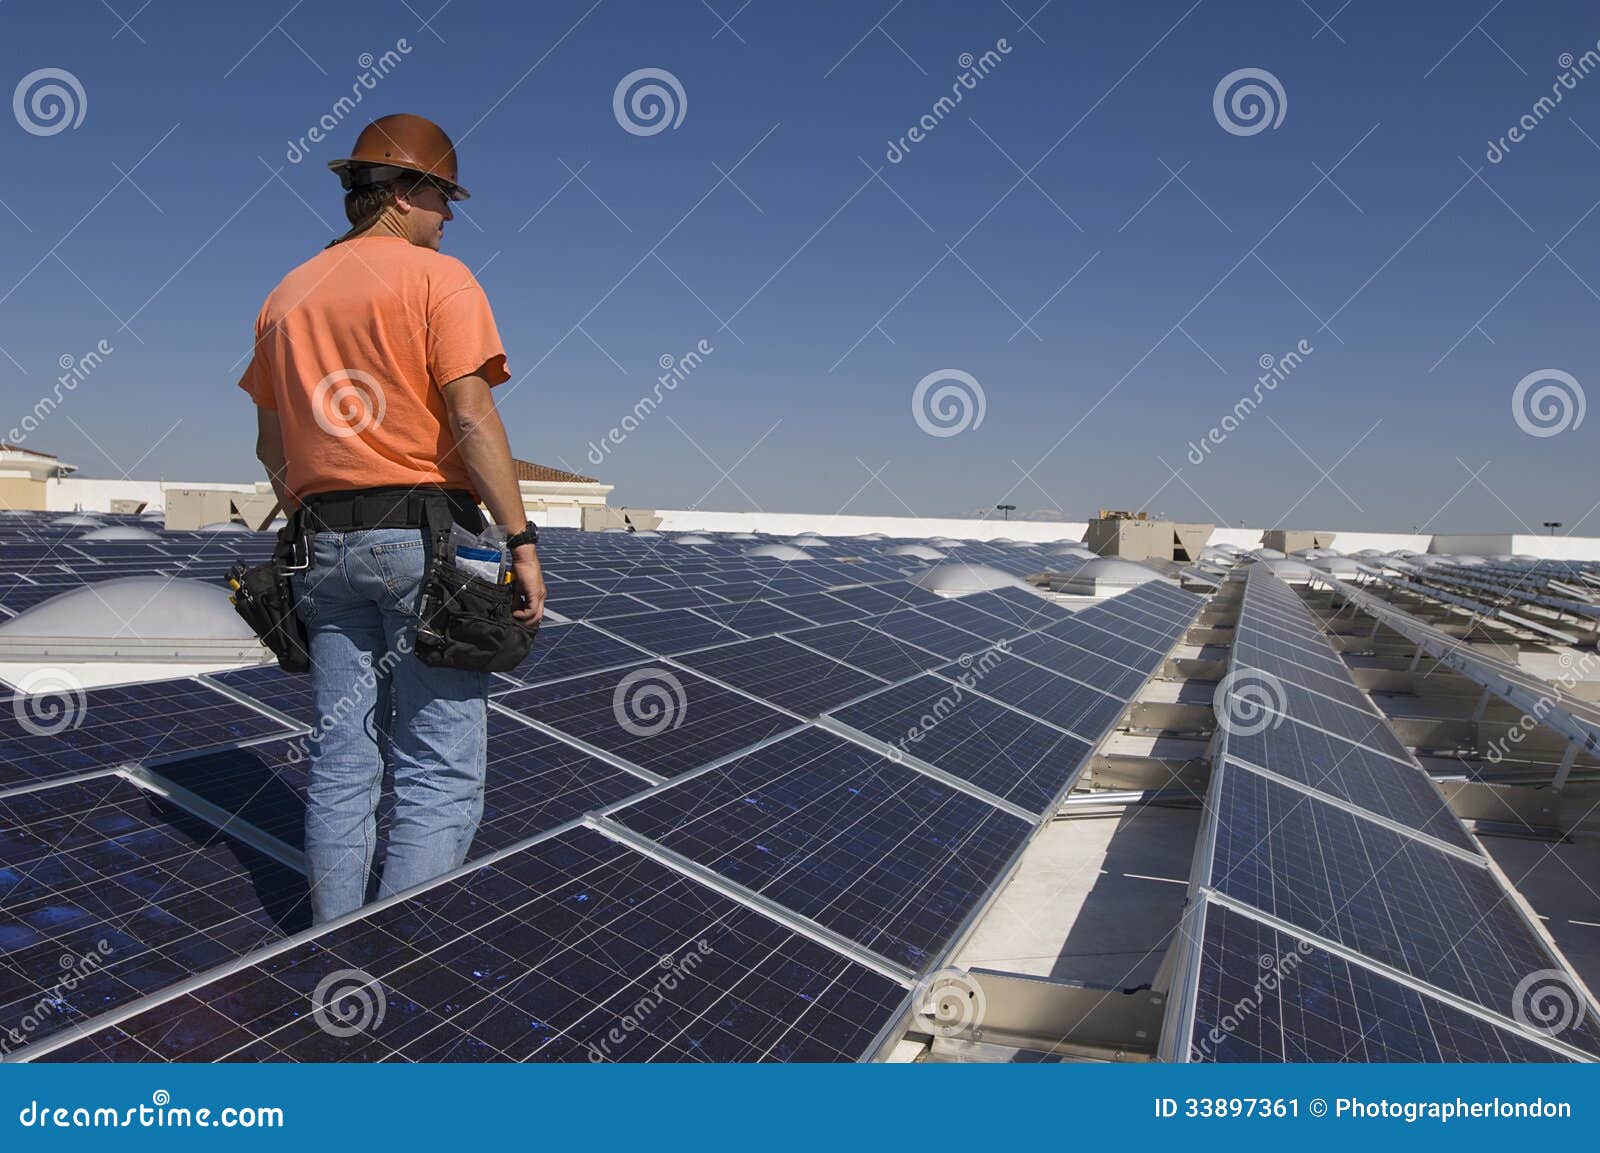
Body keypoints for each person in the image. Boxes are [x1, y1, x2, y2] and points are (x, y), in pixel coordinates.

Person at [238, 113, 546, 923]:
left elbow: (272, 441)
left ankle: (334, 944)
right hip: (423, 541)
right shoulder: (439, 281)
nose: (449, 218)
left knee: (343, 762)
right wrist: (521, 538)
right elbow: (473, 417)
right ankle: (395, 971)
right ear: (405, 192)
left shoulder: (286, 293)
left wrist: (318, 506)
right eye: (443, 198)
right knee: (440, 769)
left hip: (321, 546)